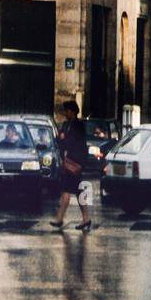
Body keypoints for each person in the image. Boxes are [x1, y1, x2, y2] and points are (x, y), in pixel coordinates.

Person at [51, 100, 92, 233]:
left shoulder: (78, 125)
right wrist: (62, 139)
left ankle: (60, 218)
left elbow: (74, 142)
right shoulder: (66, 124)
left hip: (75, 162)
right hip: (68, 162)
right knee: (77, 190)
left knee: (66, 190)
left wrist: (64, 138)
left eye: (67, 111)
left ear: (72, 111)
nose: (65, 113)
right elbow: (60, 140)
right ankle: (85, 218)